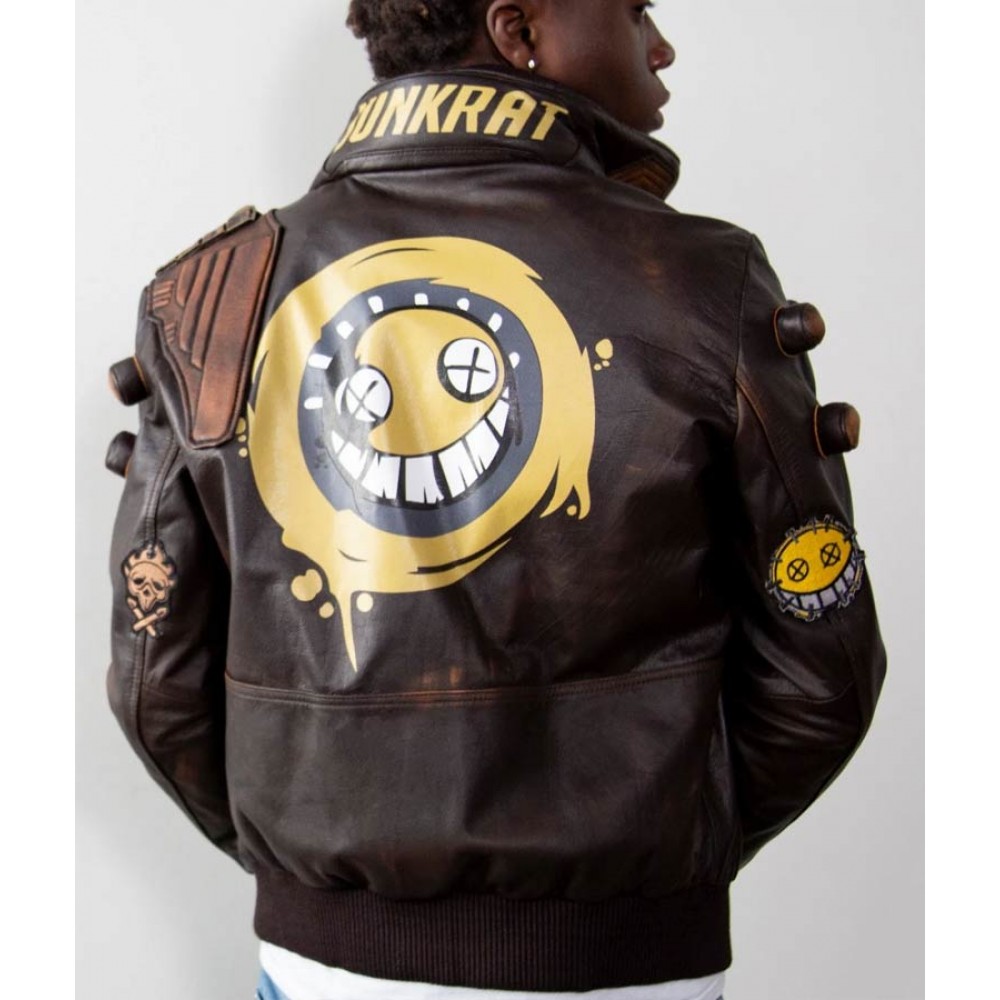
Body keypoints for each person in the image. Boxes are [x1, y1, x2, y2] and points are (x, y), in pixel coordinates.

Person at [104, 2, 887, 998]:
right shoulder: (701, 276)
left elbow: (155, 674)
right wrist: (656, 861)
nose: (661, 46)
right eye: (634, 8)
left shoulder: (215, 291)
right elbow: (822, 661)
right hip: (630, 968)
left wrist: (319, 871)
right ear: (518, 31)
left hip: (323, 968)